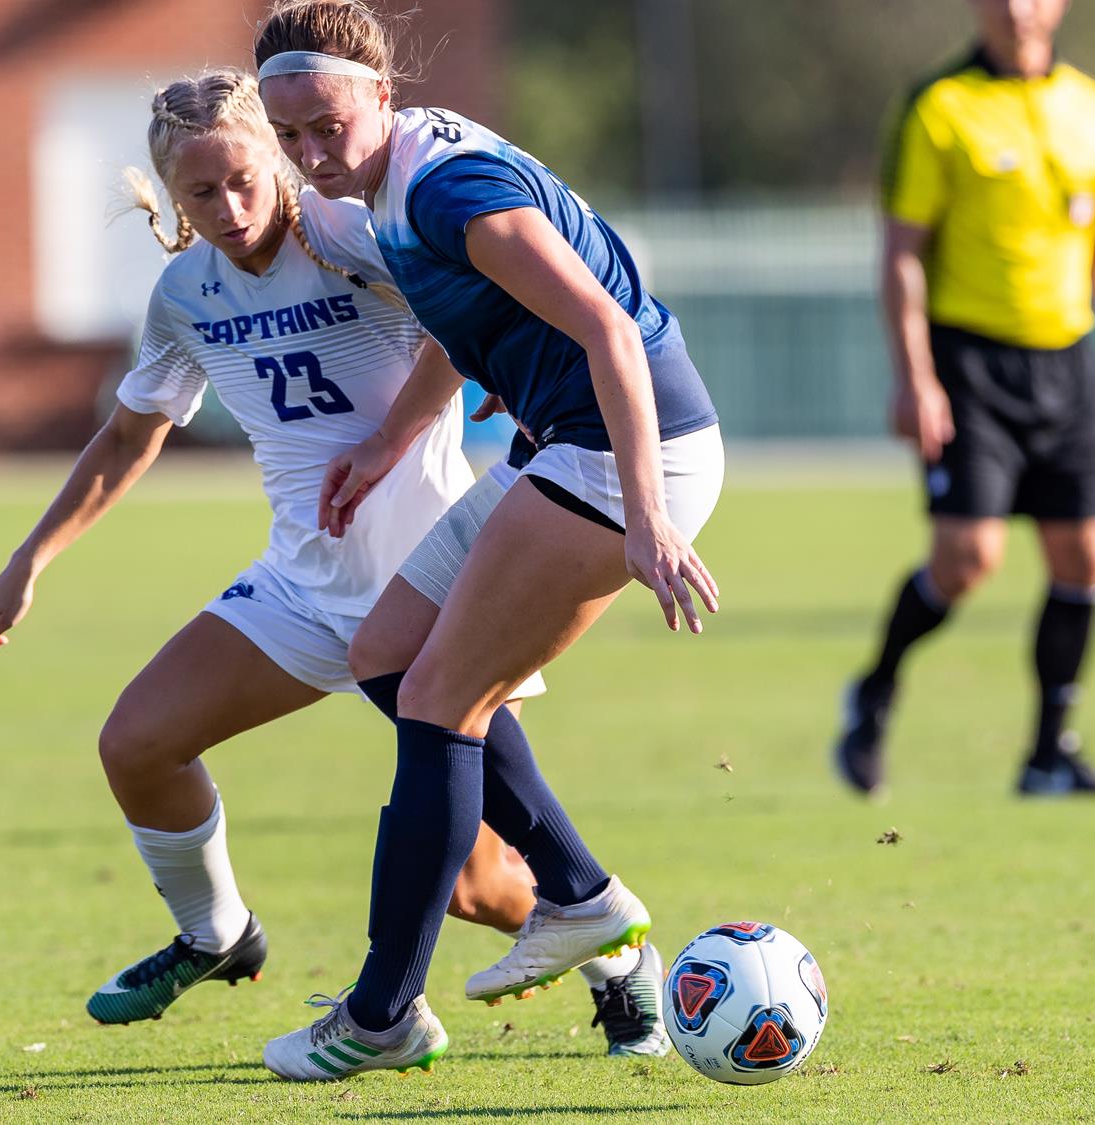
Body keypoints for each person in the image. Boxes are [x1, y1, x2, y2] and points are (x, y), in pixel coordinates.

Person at [0, 71, 654, 1047]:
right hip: (302, 584)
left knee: (475, 885)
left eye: (245, 179)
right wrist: (28, 559)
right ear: (171, 196)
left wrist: (471, 395)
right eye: (201, 194)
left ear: (279, 160)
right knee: (137, 744)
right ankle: (218, 935)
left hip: (436, 588)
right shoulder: (183, 296)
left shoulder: (349, 237)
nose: (231, 209)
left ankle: (618, 957)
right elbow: (125, 437)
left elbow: (468, 318)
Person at [249, 0, 725, 1080]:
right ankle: (579, 896)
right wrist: (387, 443)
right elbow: (463, 328)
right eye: (289, 137)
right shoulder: (395, 183)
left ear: (379, 93)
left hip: (619, 453)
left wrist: (647, 515)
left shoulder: (444, 187)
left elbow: (607, 326)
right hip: (564, 446)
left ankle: (379, 1016)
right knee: (386, 658)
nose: (310, 153)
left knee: (435, 700)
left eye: (326, 125)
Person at [834, 0, 1095, 800]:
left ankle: (1050, 753)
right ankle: (873, 690)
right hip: (970, 362)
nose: (1019, 8)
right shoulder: (940, 106)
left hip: (1069, 361)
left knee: (1085, 557)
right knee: (967, 559)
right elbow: (903, 252)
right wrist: (915, 375)